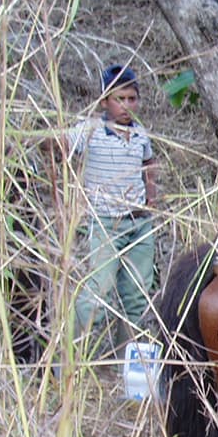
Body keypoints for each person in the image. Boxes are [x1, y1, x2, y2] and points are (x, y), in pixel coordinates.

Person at [57, 64, 159, 351]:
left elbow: (149, 163)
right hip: (104, 223)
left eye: (132, 99)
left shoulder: (140, 134)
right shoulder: (91, 131)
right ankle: (71, 359)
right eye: (119, 99)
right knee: (96, 295)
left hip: (138, 223)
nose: (127, 106)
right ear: (104, 101)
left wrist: (151, 197)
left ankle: (125, 360)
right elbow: (60, 143)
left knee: (137, 296)